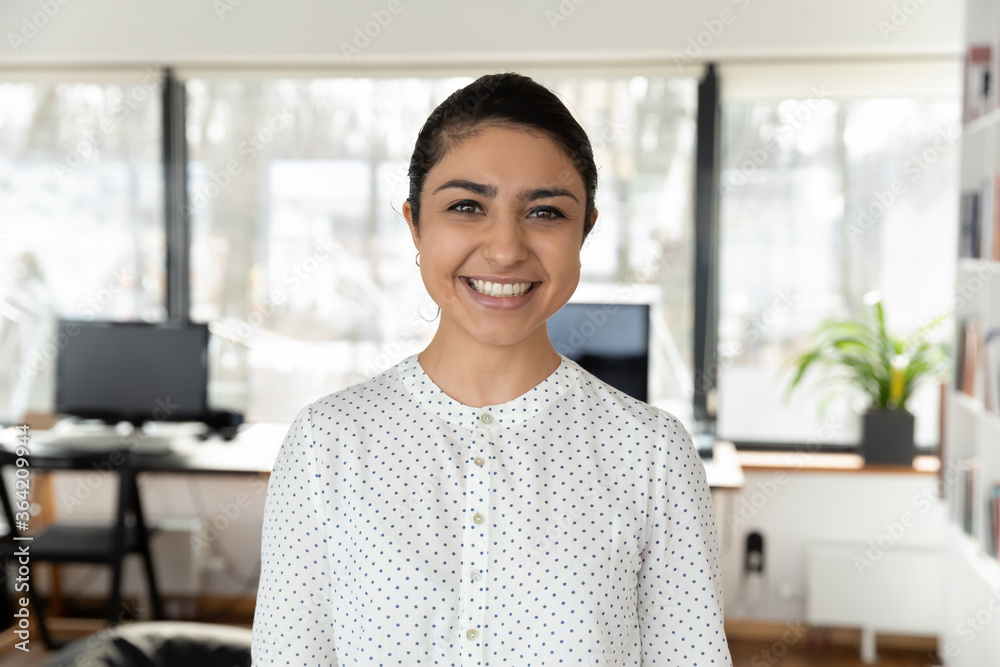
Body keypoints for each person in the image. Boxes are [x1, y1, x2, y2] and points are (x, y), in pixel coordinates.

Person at [251, 72, 732, 666]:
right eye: (466, 206)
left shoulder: (651, 455)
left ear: (586, 231)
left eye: (546, 213)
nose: (505, 249)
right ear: (414, 225)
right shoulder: (327, 444)